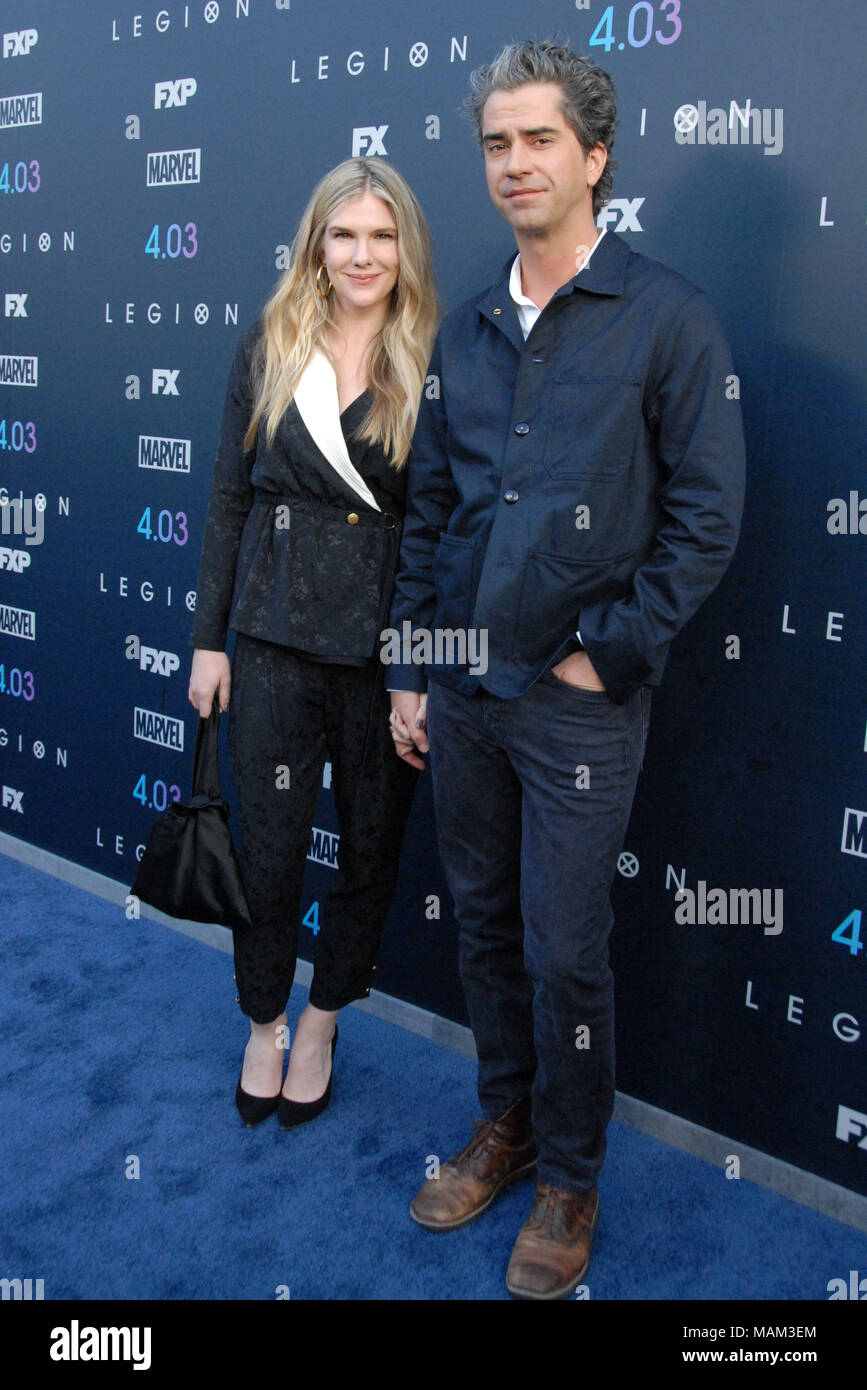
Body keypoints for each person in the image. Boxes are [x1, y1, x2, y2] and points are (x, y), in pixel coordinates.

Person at [387, 40, 745, 1298]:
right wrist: (411, 670)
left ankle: (572, 1176)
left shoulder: (668, 316)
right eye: (497, 142)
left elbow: (708, 515)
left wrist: (610, 655)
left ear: (595, 156)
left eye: (539, 139)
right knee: (483, 930)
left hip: (581, 710)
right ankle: (509, 1124)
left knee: (563, 950)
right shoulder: (471, 326)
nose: (515, 163)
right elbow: (433, 512)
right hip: (465, 694)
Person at [188, 158, 437, 1130]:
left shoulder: (433, 359)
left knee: (371, 851)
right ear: (317, 245)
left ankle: (325, 1017)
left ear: (403, 246)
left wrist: (419, 666)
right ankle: (264, 1019)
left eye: (382, 236)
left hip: (381, 654)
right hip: (272, 640)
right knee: (272, 850)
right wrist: (208, 639)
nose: (363, 255)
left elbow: (441, 528)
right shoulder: (272, 340)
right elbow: (227, 495)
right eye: (345, 235)